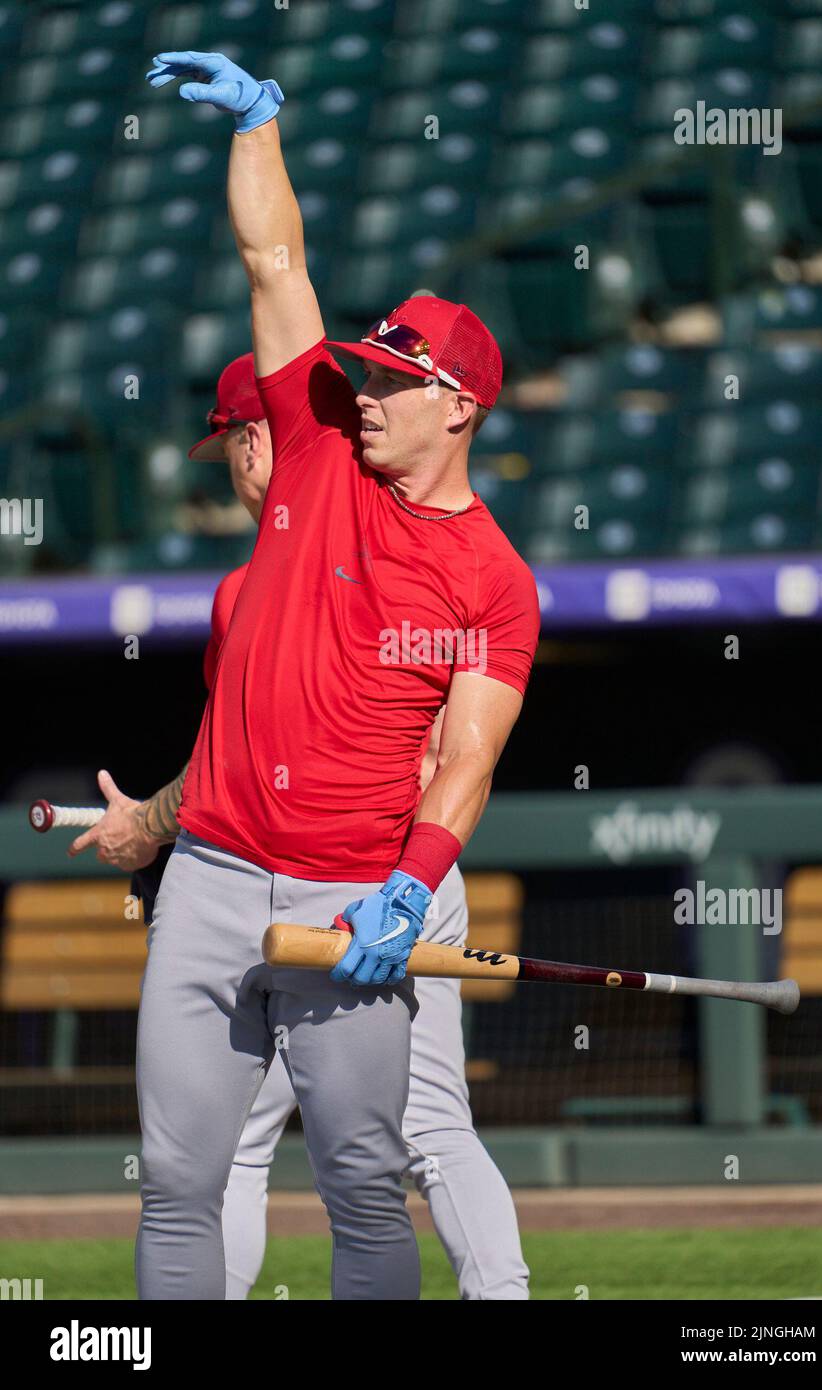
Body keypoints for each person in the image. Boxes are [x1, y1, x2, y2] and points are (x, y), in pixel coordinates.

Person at [125, 49, 539, 1299]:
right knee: (179, 1175)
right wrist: (259, 128)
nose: (362, 392)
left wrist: (405, 895)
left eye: (394, 381)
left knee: (365, 1182)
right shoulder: (309, 445)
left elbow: (464, 763)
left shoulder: (493, 578)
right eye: (364, 371)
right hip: (209, 872)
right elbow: (275, 265)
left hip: (351, 889)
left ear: (457, 406)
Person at [71, 350, 530, 1300]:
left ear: (257, 439)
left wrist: (150, 828)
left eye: (237, 443)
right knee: (416, 1135)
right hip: (389, 874)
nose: (237, 470)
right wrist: (155, 824)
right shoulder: (354, 543)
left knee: (264, 1152)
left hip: (366, 879)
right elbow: (233, 766)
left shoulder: (296, 564)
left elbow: (436, 741)